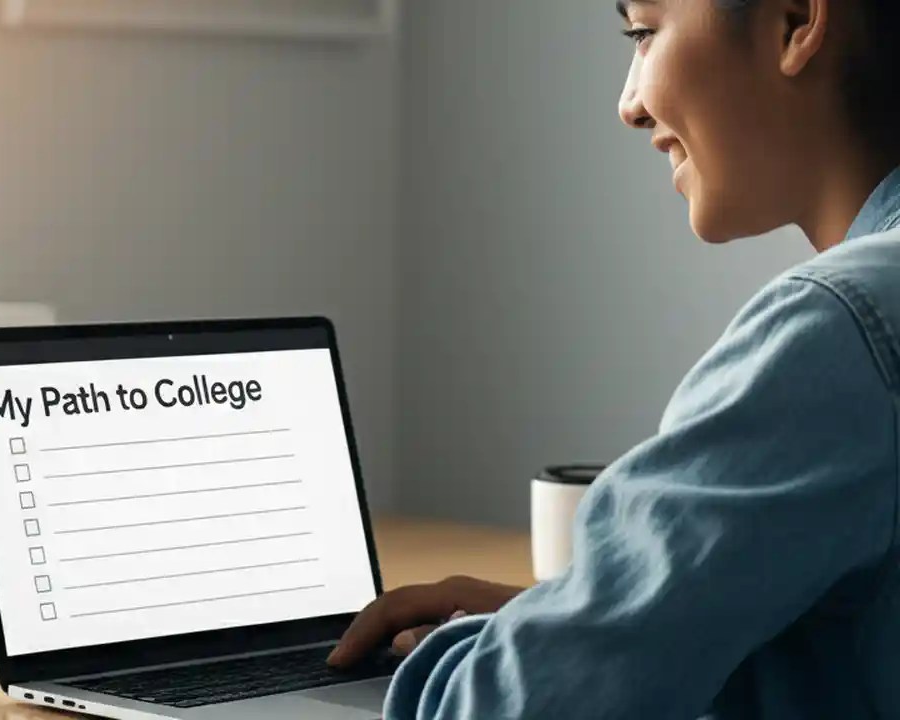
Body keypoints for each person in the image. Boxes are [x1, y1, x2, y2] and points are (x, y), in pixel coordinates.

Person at [327, 0, 900, 717]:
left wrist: (512, 646)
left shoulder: (838, 327)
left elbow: (506, 708)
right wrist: (590, 621)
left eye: (644, 32)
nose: (629, 104)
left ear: (794, 21)